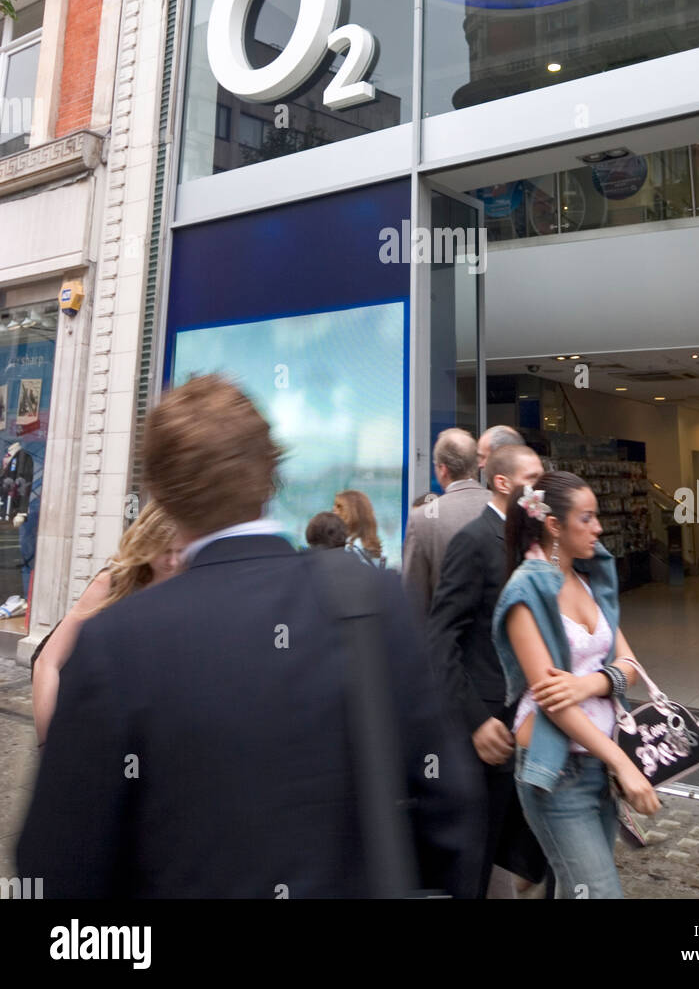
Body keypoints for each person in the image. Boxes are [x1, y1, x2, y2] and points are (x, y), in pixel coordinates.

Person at [18, 374, 480, 898]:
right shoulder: (373, 602)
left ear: (160, 492)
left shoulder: (117, 643)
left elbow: (58, 863)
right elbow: (450, 809)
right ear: (270, 474)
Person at [492, 471, 661, 900]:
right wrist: (622, 763)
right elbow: (551, 700)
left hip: (597, 769)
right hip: (557, 773)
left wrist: (590, 685)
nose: (598, 528)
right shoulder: (525, 591)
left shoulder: (587, 581)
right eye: (587, 518)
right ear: (554, 524)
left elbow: (630, 665)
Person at [429, 441, 544, 898]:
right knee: (478, 856)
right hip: (492, 733)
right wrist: (475, 720)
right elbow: (440, 639)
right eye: (533, 480)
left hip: (537, 725)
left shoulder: (536, 541)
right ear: (502, 483)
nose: (543, 488)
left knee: (534, 850)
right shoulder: (474, 541)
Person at [31, 502, 180, 746]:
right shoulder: (114, 582)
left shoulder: (187, 588)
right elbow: (47, 662)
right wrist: (48, 745)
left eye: (180, 551)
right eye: (165, 550)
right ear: (146, 542)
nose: (172, 561)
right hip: (86, 718)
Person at [402, 428, 489, 612]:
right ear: (475, 465)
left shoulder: (421, 519)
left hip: (447, 634)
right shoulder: (501, 507)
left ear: (442, 469)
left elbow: (414, 596)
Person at [334, 489, 387, 568]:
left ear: (352, 513)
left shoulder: (350, 548)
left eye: (339, 506)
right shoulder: (374, 547)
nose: (334, 510)